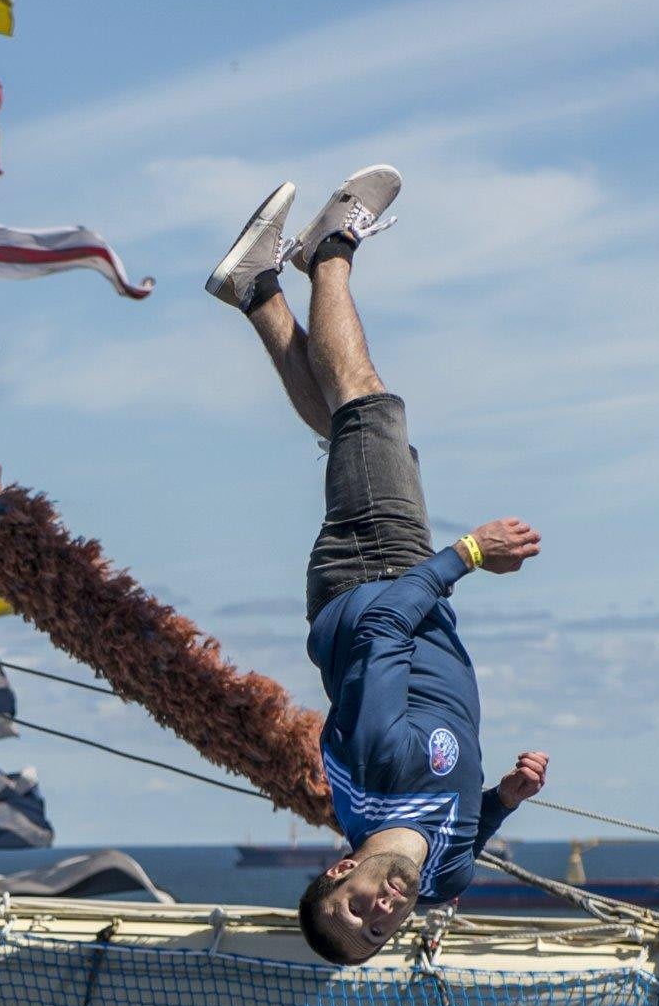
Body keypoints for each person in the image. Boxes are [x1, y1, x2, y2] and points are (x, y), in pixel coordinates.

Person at [204, 168, 549, 965]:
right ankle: (256, 291)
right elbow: (469, 824)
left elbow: (378, 624)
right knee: (349, 424)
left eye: (358, 908)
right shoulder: (444, 875)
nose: (384, 912)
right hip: (394, 582)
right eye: (381, 931)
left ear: (341, 869)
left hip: (372, 573)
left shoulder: (380, 764)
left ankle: (328, 253)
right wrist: (507, 797)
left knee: (370, 409)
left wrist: (469, 553)